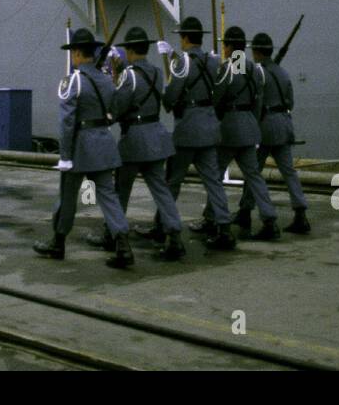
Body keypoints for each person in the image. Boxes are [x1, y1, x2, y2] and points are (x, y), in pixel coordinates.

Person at [33, 28, 134, 269]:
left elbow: (67, 122)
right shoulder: (107, 79)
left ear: (77, 53)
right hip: (103, 144)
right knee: (108, 197)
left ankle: (58, 243)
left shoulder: (74, 80)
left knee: (68, 198)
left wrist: (65, 156)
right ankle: (123, 245)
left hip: (80, 148)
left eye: (73, 54)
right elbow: (114, 109)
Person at [87, 28, 186, 261]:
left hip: (133, 140)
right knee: (161, 190)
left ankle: (114, 236)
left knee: (120, 192)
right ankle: (175, 236)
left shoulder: (129, 75)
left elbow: (119, 107)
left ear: (130, 50)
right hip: (156, 138)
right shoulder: (156, 73)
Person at [154, 16, 236, 250]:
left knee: (173, 182)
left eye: (181, 36)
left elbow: (172, 94)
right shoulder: (214, 61)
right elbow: (220, 91)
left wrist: (167, 100)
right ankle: (224, 227)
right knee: (213, 181)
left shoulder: (182, 63)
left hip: (187, 130)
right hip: (209, 128)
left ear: (186, 37)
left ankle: (164, 226)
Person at [212, 26, 280, 241]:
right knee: (254, 177)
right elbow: (258, 103)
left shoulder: (227, 69)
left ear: (231, 47)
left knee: (214, 176)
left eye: (225, 45)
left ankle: (214, 219)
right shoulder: (254, 70)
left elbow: (217, 100)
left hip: (230, 129)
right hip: (250, 127)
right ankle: (269, 219)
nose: (223, 48)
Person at [239, 32, 310, 234]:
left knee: (252, 171)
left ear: (257, 52)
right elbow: (290, 102)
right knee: (289, 172)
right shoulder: (284, 73)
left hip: (265, 127)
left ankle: (246, 211)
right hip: (284, 125)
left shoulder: (257, 71)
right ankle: (300, 212)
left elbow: (253, 99)